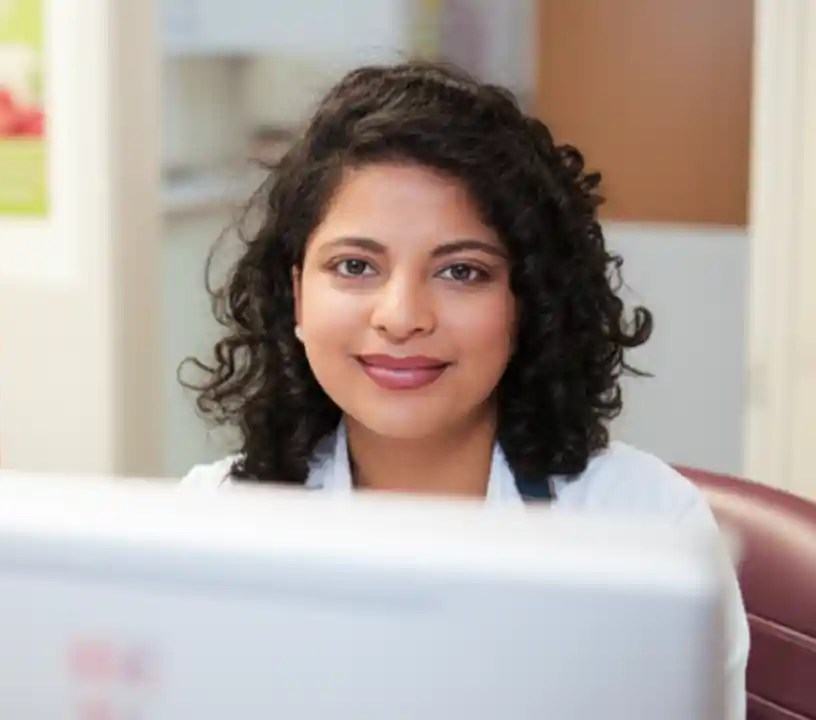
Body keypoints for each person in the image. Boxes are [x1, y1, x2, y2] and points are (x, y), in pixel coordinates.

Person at [181, 61, 748, 717]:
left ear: (526, 301)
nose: (401, 315)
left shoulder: (648, 531)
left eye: (461, 271)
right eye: (355, 265)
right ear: (297, 295)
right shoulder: (210, 524)